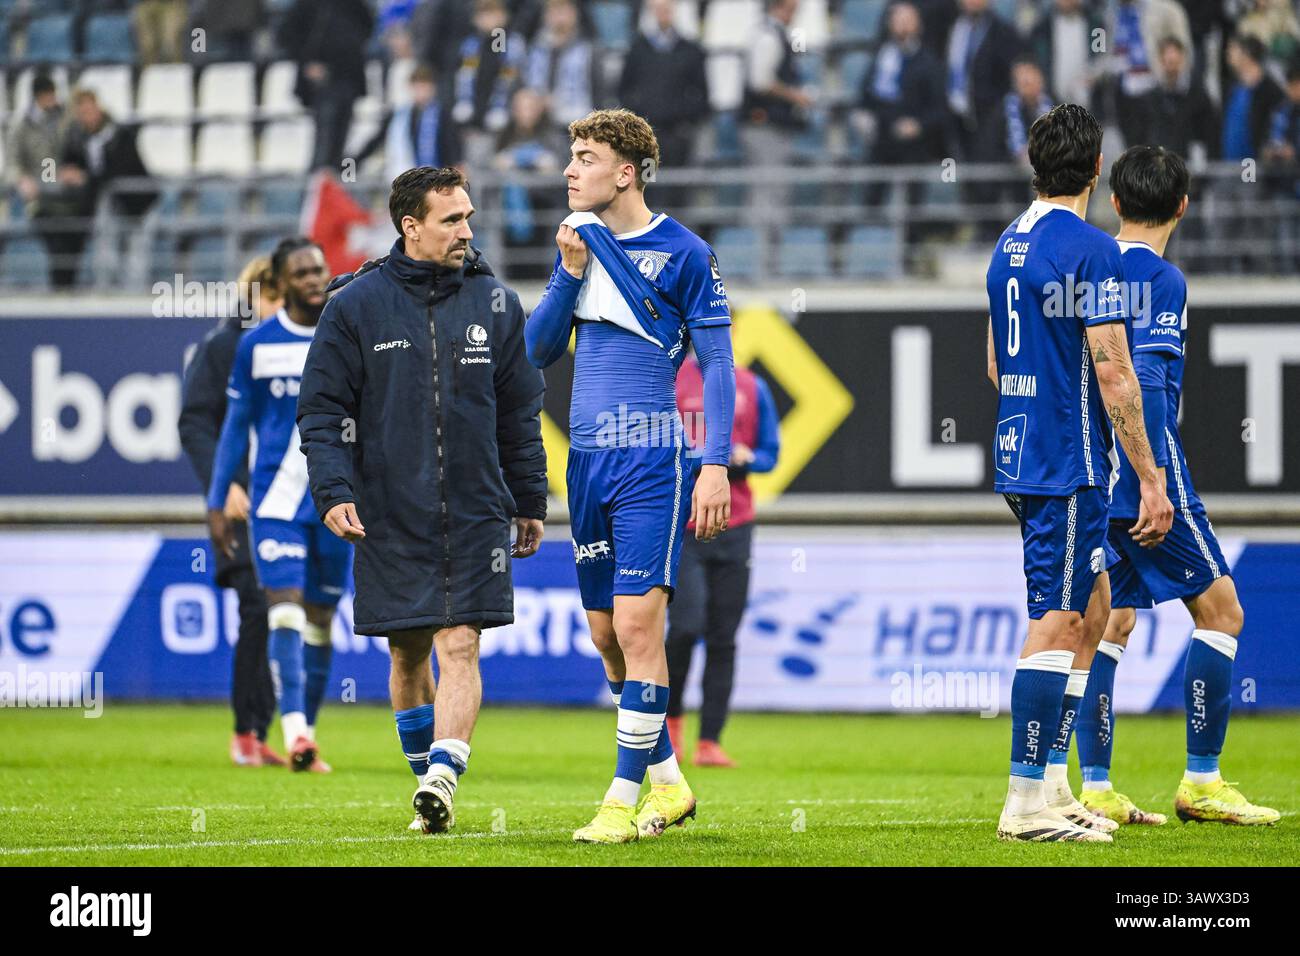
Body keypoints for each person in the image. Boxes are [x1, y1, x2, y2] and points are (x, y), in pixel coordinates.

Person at [297, 166, 548, 835]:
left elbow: (520, 414)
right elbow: (321, 412)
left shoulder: (496, 303)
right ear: (410, 226)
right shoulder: (353, 306)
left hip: (474, 509)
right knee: (406, 653)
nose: (467, 230)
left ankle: (443, 775)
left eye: (468, 217)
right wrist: (333, 490)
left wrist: (530, 498)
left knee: (460, 641)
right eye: (451, 219)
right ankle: (428, 789)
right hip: (387, 510)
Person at [525, 108, 736, 844]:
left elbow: (716, 365)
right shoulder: (579, 243)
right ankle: (671, 786)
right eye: (570, 156)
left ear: (625, 171)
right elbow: (538, 351)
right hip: (586, 462)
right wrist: (566, 274)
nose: (568, 170)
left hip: (652, 458)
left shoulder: (684, 251)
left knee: (641, 625)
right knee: (606, 634)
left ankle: (618, 799)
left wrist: (714, 466)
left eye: (583, 157)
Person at [1074, 145, 1280, 828]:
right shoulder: (1161, 280)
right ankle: (1202, 779)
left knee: (1112, 621)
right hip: (1145, 473)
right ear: (1183, 207)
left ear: (1118, 203)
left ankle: (1097, 786)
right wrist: (1154, 482)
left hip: (1089, 472)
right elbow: (1149, 385)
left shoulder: (1087, 268)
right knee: (1222, 613)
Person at [984, 103, 1173, 843]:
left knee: (1093, 611)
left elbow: (997, 363)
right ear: (1097, 169)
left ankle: (1056, 787)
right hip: (1066, 461)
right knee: (1059, 621)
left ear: (1035, 164)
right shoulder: (1090, 250)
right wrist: (1149, 478)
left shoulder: (1009, 244)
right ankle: (1024, 802)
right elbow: (1116, 373)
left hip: (1020, 448)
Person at [207, 237, 345, 774]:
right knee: (283, 608)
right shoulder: (256, 346)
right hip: (274, 503)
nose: (315, 279)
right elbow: (234, 429)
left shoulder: (348, 335)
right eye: (303, 273)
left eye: (320, 269)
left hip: (337, 504)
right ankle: (296, 736)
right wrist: (217, 500)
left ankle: (305, 733)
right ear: (282, 283)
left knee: (320, 620)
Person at [179, 256, 286, 769]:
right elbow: (196, 423)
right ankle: (247, 732)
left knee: (277, 612)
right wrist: (224, 488)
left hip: (284, 502)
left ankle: (260, 731)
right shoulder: (224, 347)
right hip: (241, 505)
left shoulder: (290, 349)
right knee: (257, 605)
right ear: (258, 296)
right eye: (279, 298)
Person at [665, 354, 780, 767]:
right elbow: (660, 443)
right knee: (685, 627)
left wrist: (749, 459)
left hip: (737, 525)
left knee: (723, 636)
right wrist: (707, 458)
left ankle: (709, 741)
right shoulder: (672, 378)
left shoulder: (753, 385)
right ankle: (672, 725)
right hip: (688, 524)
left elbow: (771, 453)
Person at [279, 0, 375, 170]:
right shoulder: (308, 5)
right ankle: (316, 189)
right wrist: (307, 63)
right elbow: (285, 35)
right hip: (324, 83)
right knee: (324, 145)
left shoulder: (354, 4)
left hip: (349, 78)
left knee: (343, 144)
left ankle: (338, 185)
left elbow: (367, 28)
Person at [4, 72, 80, 289]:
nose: (54, 100)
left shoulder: (64, 120)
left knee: (73, 236)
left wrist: (70, 171)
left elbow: (76, 152)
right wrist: (21, 180)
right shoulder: (21, 126)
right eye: (50, 95)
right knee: (55, 240)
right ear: (40, 96)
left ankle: (67, 290)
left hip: (65, 196)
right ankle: (60, 291)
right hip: (38, 199)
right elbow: (11, 163)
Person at [355, 64, 465, 185]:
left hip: (436, 179)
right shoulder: (399, 115)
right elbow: (376, 140)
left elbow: (452, 145)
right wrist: (354, 160)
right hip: (407, 178)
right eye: (418, 86)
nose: (421, 92)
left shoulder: (442, 116)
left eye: (425, 86)